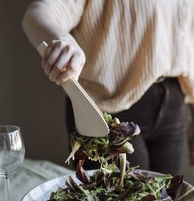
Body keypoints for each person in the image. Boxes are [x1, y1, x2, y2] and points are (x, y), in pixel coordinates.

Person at [22, 0, 194, 175]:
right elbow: (39, 12)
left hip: (174, 104)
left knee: (167, 198)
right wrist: (64, 41)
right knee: (122, 200)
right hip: (105, 109)